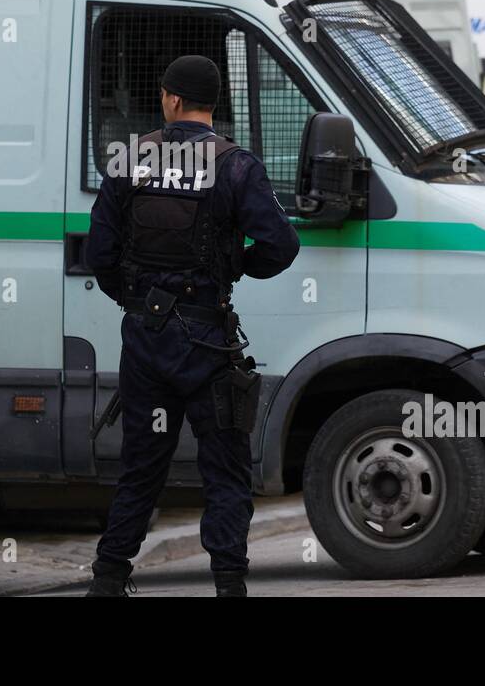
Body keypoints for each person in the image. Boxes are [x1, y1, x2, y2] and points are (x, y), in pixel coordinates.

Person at [83, 54, 300, 597]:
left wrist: (137, 301)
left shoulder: (129, 160)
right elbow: (281, 244)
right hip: (206, 338)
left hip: (146, 340)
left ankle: (108, 581)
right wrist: (233, 269)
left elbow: (100, 254)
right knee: (225, 470)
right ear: (212, 103)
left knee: (142, 468)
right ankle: (229, 586)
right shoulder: (237, 165)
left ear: (171, 99)